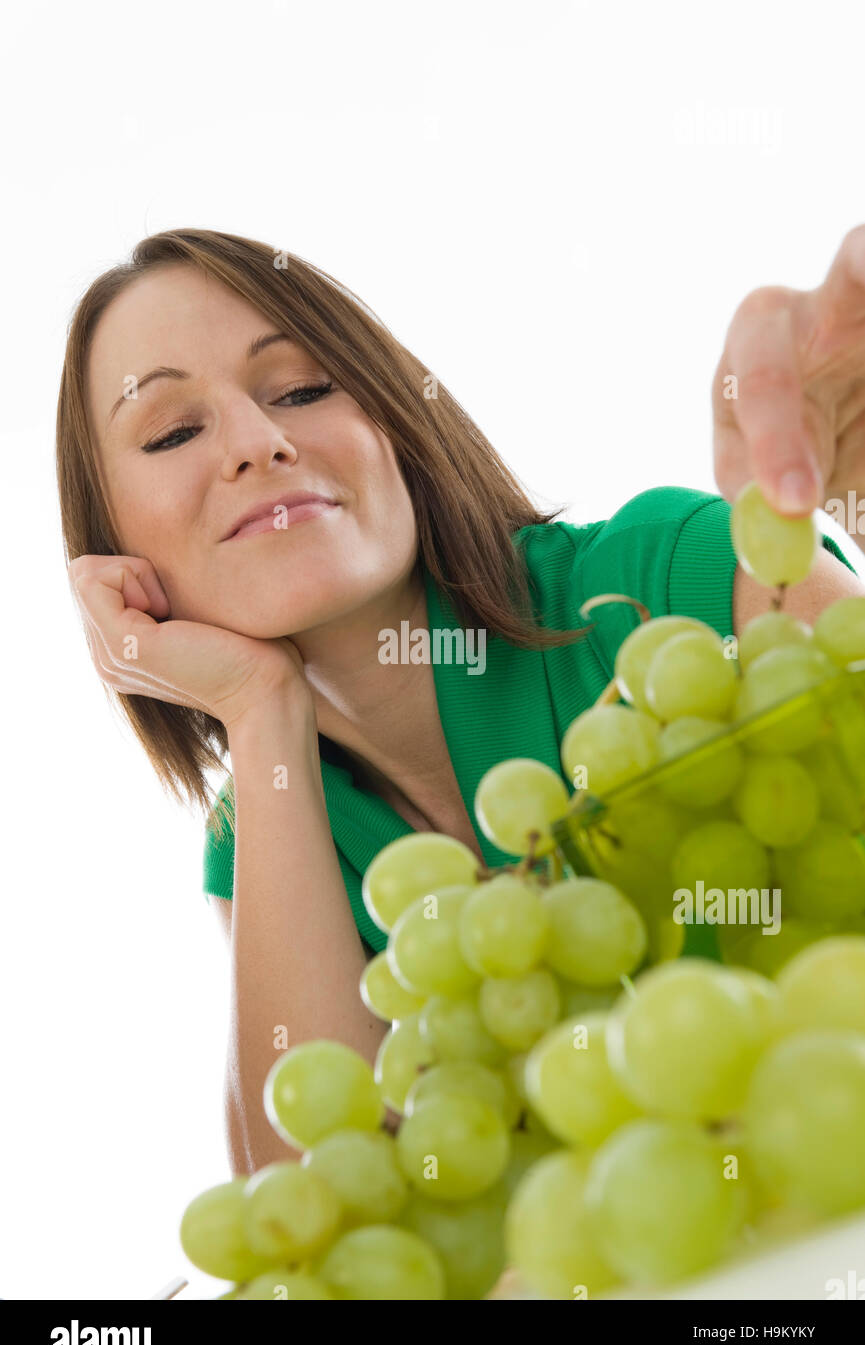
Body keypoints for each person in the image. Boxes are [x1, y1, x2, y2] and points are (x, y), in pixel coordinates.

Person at [58, 227, 865, 1176]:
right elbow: (319, 1211)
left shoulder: (674, 585)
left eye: (304, 389)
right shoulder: (272, 831)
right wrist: (259, 706)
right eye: (172, 432)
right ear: (116, 546)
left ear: (397, 423)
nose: (256, 443)